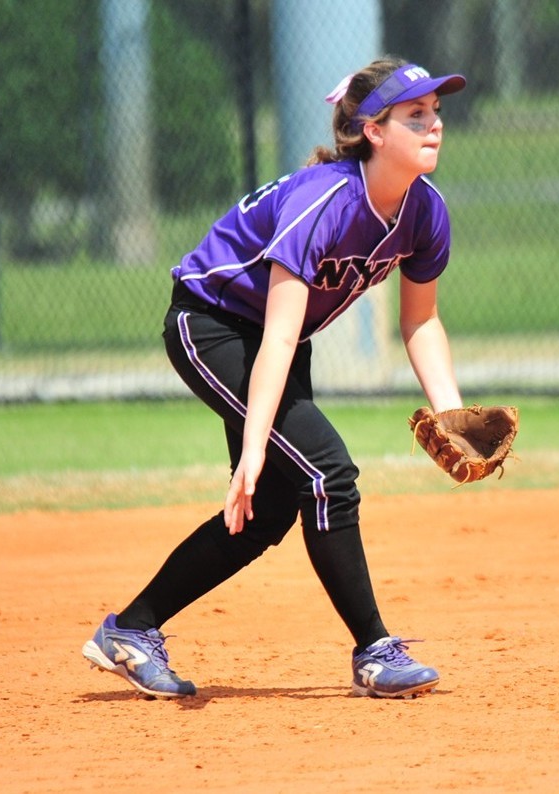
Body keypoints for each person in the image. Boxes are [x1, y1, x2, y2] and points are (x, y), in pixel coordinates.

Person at [82, 57, 468, 700]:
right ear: (374, 130)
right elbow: (280, 333)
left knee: (264, 515)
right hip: (212, 324)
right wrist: (256, 446)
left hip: (270, 339)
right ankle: (375, 651)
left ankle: (131, 629)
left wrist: (452, 415)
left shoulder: (425, 212)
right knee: (328, 472)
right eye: (415, 114)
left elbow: (421, 322)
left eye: (436, 113)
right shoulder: (324, 201)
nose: (434, 126)